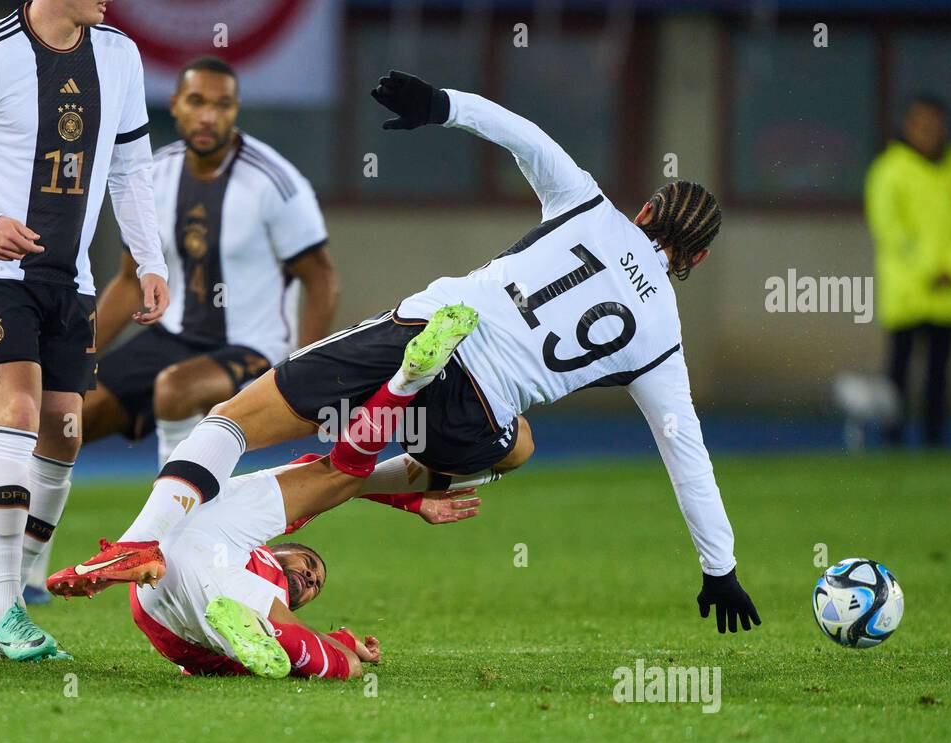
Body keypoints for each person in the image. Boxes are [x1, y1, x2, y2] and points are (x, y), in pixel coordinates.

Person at [68, 70, 760, 636]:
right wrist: (719, 566)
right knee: (512, 447)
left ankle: (144, 537)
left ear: (643, 211)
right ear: (695, 256)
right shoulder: (661, 335)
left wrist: (440, 105)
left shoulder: (586, 203)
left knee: (237, 417)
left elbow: (519, 133)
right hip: (472, 415)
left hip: (426, 325)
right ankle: (405, 480)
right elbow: (685, 450)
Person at [0, 56, 338, 605]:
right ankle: (26, 579)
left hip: (253, 347)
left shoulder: (276, 182)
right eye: (197, 101)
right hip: (172, 338)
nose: (209, 115)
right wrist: (78, 354)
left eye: (222, 104)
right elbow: (127, 280)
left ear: (236, 110)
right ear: (175, 106)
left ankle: (165, 539)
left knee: (175, 388)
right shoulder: (156, 173)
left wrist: (301, 368)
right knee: (65, 420)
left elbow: (322, 280)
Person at [0, 0, 171, 661]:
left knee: (64, 429)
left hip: (71, 277)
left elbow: (130, 170)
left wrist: (150, 260)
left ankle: (13, 596)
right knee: (21, 412)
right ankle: (2, 607)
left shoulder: (119, 55)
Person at [37, 303, 483, 678]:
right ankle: (407, 382)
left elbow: (336, 474)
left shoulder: (263, 586)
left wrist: (409, 499)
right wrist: (344, 647)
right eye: (310, 564)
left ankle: (139, 547)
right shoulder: (262, 562)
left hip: (171, 586)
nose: (310, 578)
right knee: (346, 668)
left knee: (243, 433)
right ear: (277, 548)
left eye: (314, 586)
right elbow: (328, 474)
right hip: (204, 565)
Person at [865, 94, 951, 447]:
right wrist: (930, 269)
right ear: (908, 126)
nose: (928, 130)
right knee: (899, 371)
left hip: (950, 291)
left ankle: (935, 441)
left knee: (940, 372)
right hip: (908, 290)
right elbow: (889, 228)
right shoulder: (889, 169)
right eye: (921, 123)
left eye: (934, 123)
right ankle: (892, 438)